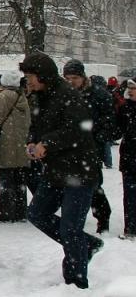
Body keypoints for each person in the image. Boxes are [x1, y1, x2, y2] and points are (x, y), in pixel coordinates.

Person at [20, 51, 105, 290]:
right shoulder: (38, 96)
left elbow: (78, 130)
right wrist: (32, 141)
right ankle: (86, 245)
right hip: (55, 170)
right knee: (37, 213)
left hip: (79, 172)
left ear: (43, 75)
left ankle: (76, 282)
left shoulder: (68, 96)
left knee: (70, 229)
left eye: (31, 76)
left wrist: (47, 144)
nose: (29, 81)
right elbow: (35, 126)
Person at [64, 59, 120, 234]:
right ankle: (72, 222)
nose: (71, 81)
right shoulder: (63, 94)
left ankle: (102, 218)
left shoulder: (99, 95)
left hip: (90, 149)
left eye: (74, 77)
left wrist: (96, 137)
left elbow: (110, 122)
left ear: (82, 77)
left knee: (93, 186)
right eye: (67, 78)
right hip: (68, 148)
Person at [0, 70, 31, 223]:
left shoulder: (1, 96)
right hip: (19, 143)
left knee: (3, 177)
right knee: (19, 177)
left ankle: (7, 211)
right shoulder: (21, 95)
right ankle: (20, 210)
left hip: (4, 144)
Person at [119, 79, 136, 240]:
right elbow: (117, 129)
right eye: (129, 88)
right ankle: (130, 228)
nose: (130, 91)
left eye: (133, 89)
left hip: (130, 155)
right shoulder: (125, 108)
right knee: (130, 195)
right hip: (129, 158)